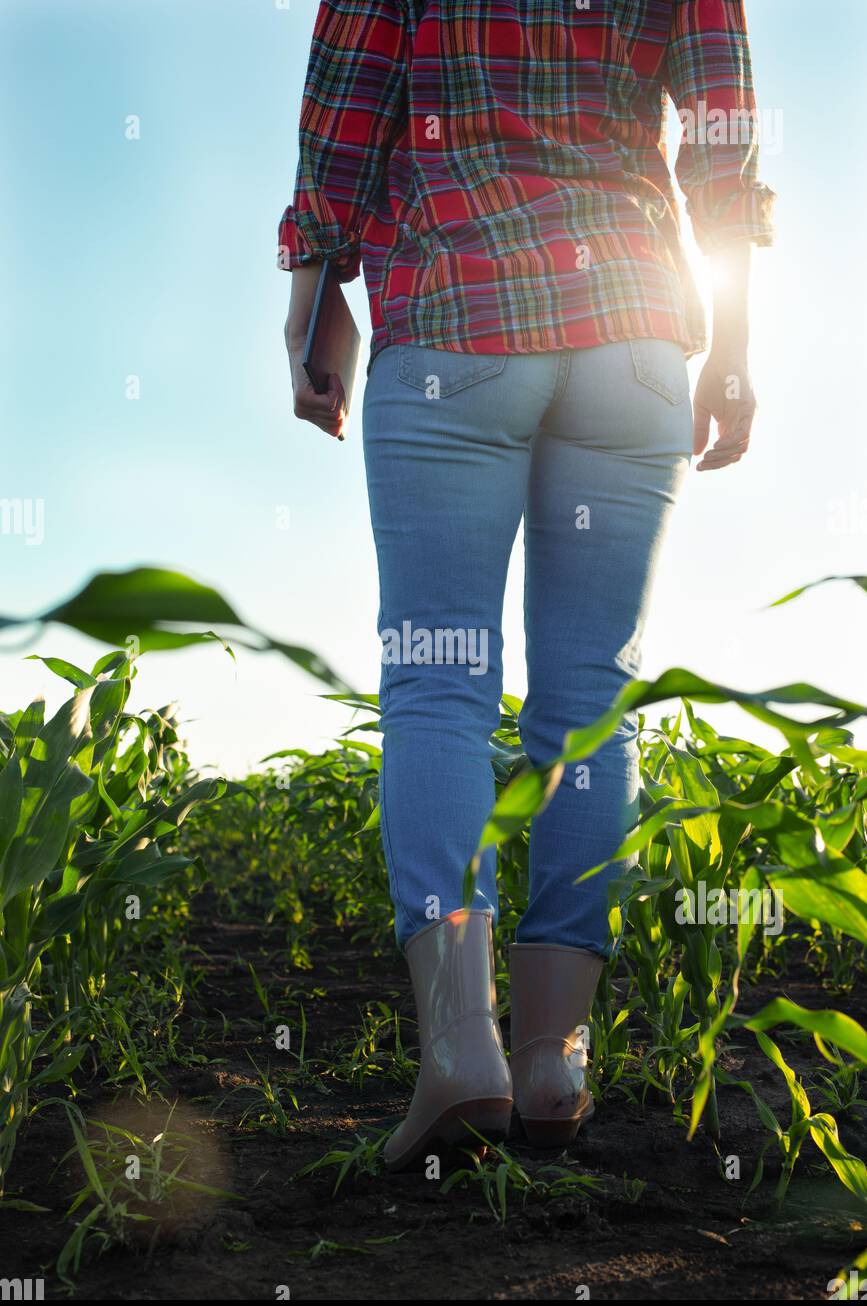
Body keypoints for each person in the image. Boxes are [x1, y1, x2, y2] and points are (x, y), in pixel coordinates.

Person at [279, 0, 774, 1171]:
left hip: (458, 317)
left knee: (439, 678)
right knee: (590, 695)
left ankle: (462, 1050)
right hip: (634, 333)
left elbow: (343, 117)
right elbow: (721, 134)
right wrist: (739, 350)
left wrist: (311, 305)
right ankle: (554, 1060)